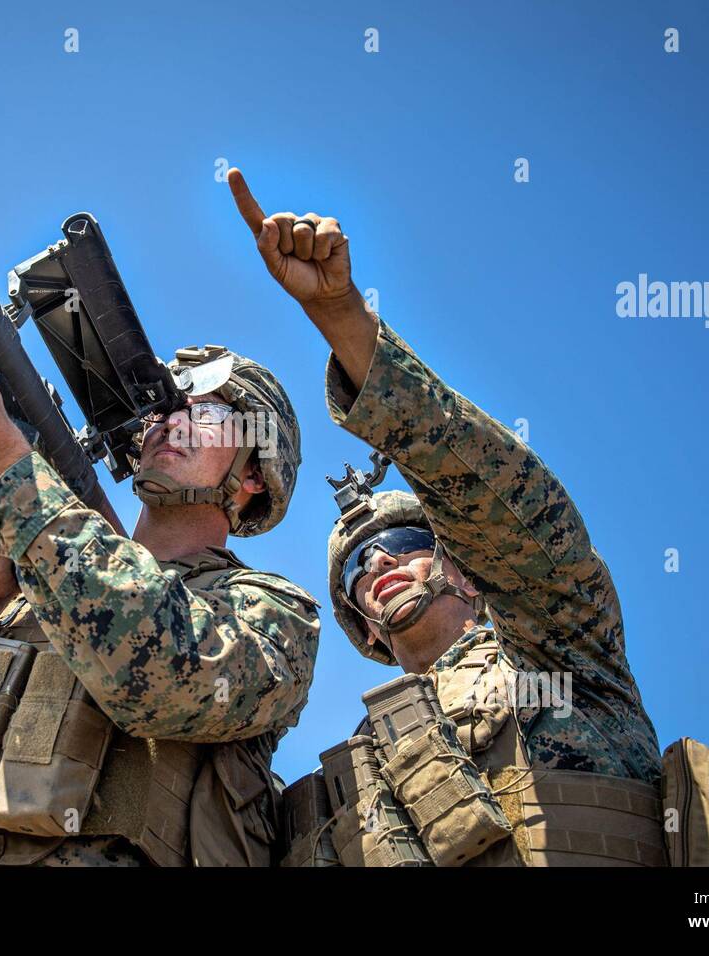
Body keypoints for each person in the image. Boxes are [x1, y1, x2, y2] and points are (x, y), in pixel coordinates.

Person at [228, 169, 668, 866]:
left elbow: (506, 505)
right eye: (356, 572)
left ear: (464, 569)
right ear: (362, 626)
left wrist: (344, 322)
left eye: (400, 544)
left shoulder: (561, 653)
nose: (377, 566)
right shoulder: (349, 779)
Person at [0, 326, 319, 866]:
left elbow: (161, 674)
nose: (171, 422)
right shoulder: (35, 588)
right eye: (164, 408)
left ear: (254, 472)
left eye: (205, 412)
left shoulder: (270, 610)